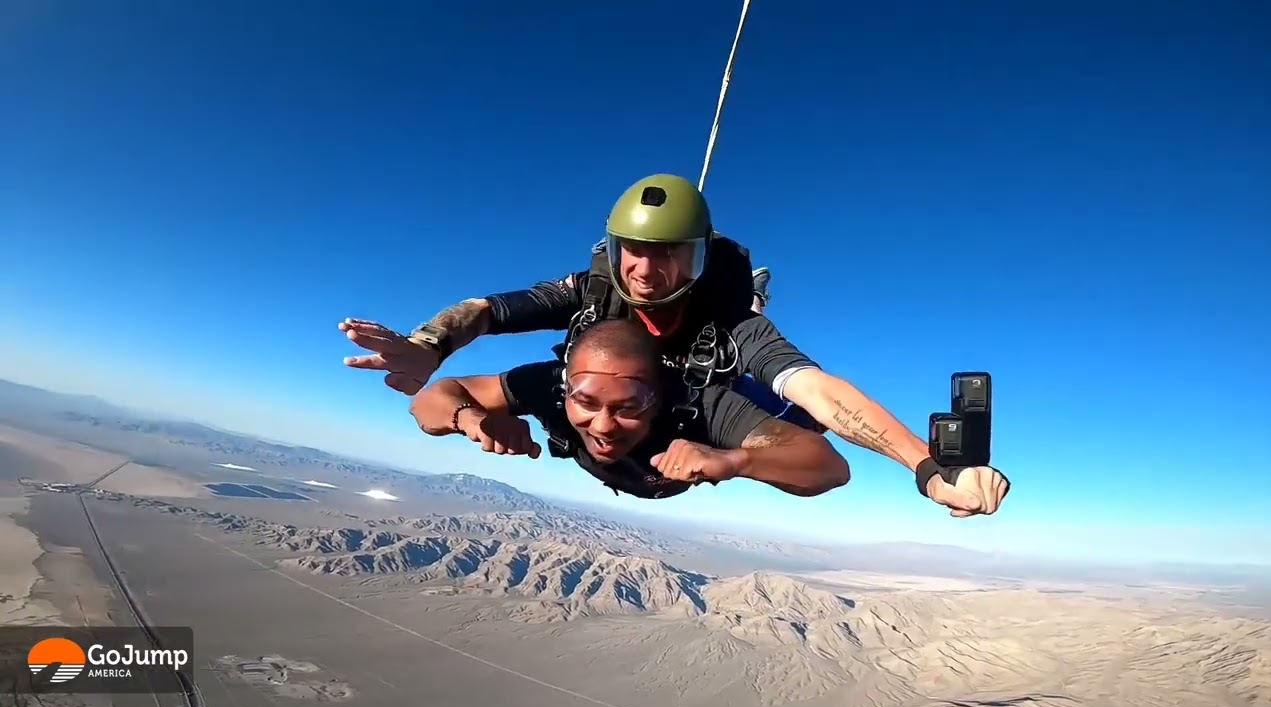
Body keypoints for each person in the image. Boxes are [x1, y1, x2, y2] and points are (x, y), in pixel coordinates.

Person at [341, 173, 1009, 518]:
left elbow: (821, 400)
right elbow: (491, 313)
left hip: (705, 384)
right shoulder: (583, 328)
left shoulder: (709, 376)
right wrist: (437, 358)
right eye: (632, 250)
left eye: (668, 255)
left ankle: (751, 297)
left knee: (782, 405)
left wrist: (928, 472)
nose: (644, 270)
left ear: (697, 260)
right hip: (619, 385)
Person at [409, 318, 850, 499]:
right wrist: (471, 419)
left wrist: (735, 459)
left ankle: (748, 309)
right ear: (566, 387)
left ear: (658, 396)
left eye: (629, 406)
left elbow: (829, 467)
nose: (603, 425)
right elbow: (429, 401)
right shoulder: (546, 384)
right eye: (584, 401)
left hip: (705, 427)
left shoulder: (699, 404)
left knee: (803, 416)